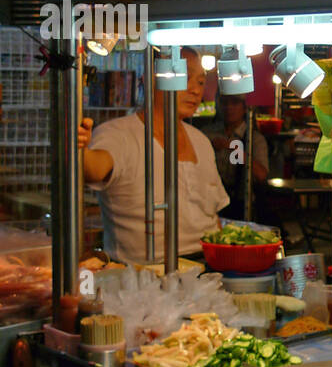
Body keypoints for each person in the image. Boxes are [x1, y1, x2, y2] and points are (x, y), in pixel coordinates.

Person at [77, 47, 228, 263]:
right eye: (185, 77)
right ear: (151, 79)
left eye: (201, 82)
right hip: (142, 277)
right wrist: (79, 146)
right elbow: (93, 169)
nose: (195, 90)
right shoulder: (119, 134)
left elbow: (213, 217)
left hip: (207, 270)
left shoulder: (201, 141)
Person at [207, 93, 269, 221]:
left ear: (245, 107)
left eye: (234, 103)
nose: (229, 108)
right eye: (225, 103)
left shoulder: (254, 139)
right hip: (211, 202)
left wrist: (236, 150)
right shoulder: (208, 134)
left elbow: (261, 175)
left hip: (242, 205)